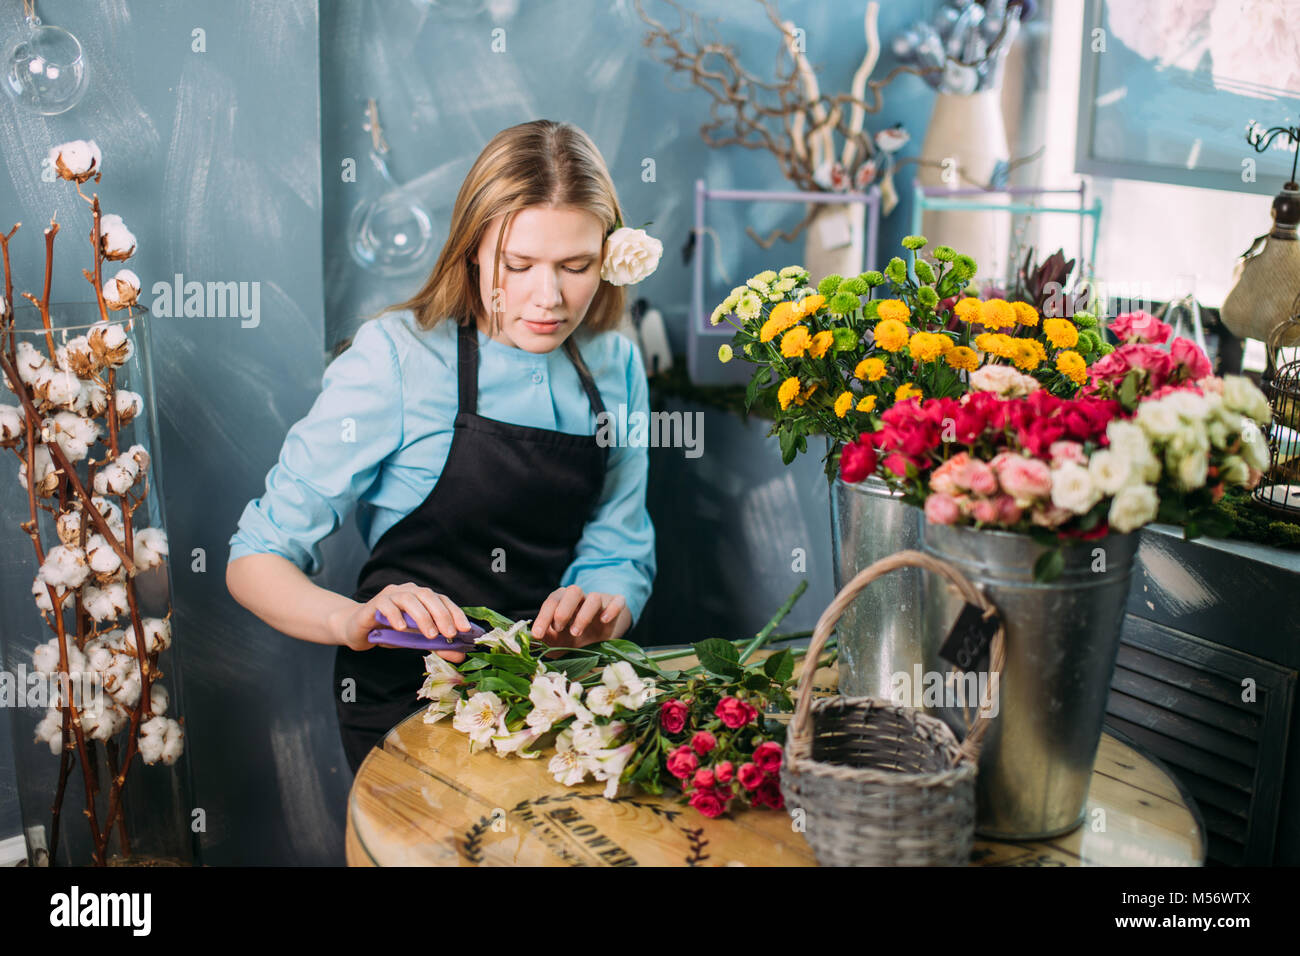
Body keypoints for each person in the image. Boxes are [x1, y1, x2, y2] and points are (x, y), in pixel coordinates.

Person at [225, 119, 658, 774]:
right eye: (518, 265)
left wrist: (606, 605)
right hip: (411, 702)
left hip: (563, 696)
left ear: (608, 257)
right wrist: (354, 621)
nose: (549, 297)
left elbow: (620, 545)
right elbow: (254, 559)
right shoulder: (396, 356)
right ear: (474, 250)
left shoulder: (616, 365)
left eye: (576, 266)